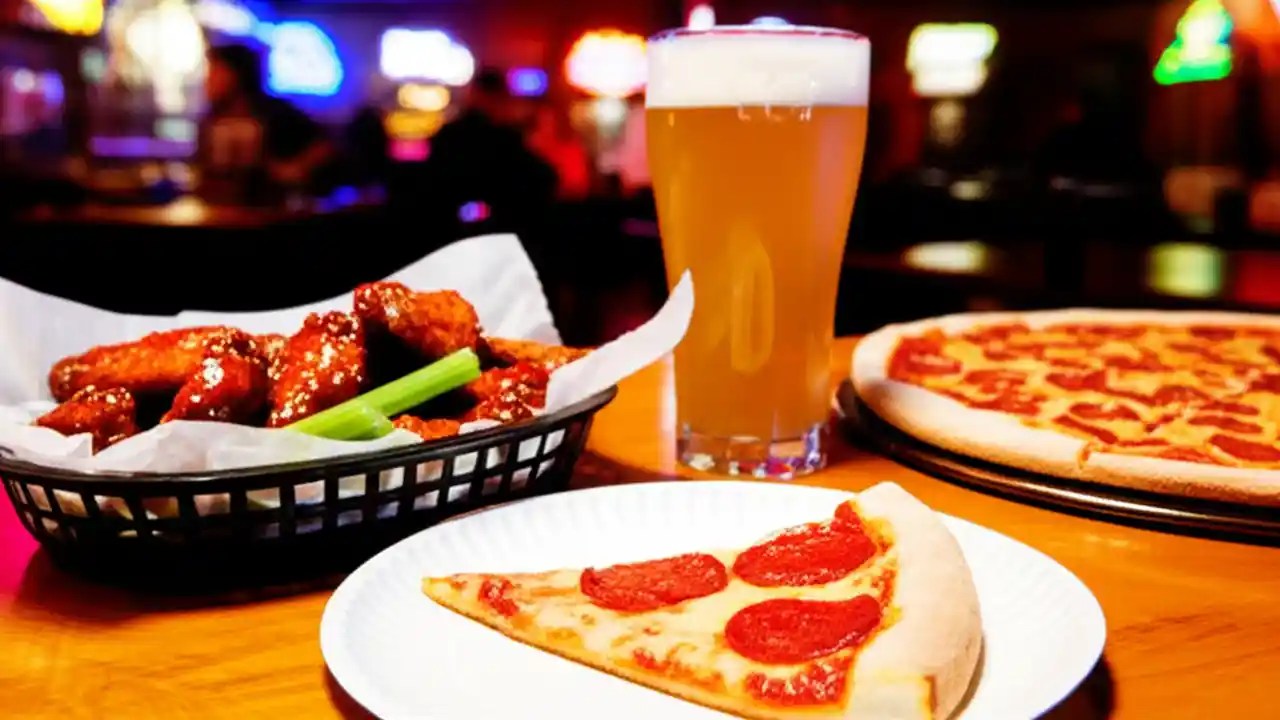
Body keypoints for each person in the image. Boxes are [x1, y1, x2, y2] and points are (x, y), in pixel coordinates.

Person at [196, 43, 333, 204]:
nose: (207, 81)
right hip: (217, 213)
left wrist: (291, 170)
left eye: (214, 73)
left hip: (268, 214)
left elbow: (324, 147)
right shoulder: (211, 118)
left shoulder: (274, 112)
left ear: (236, 75)